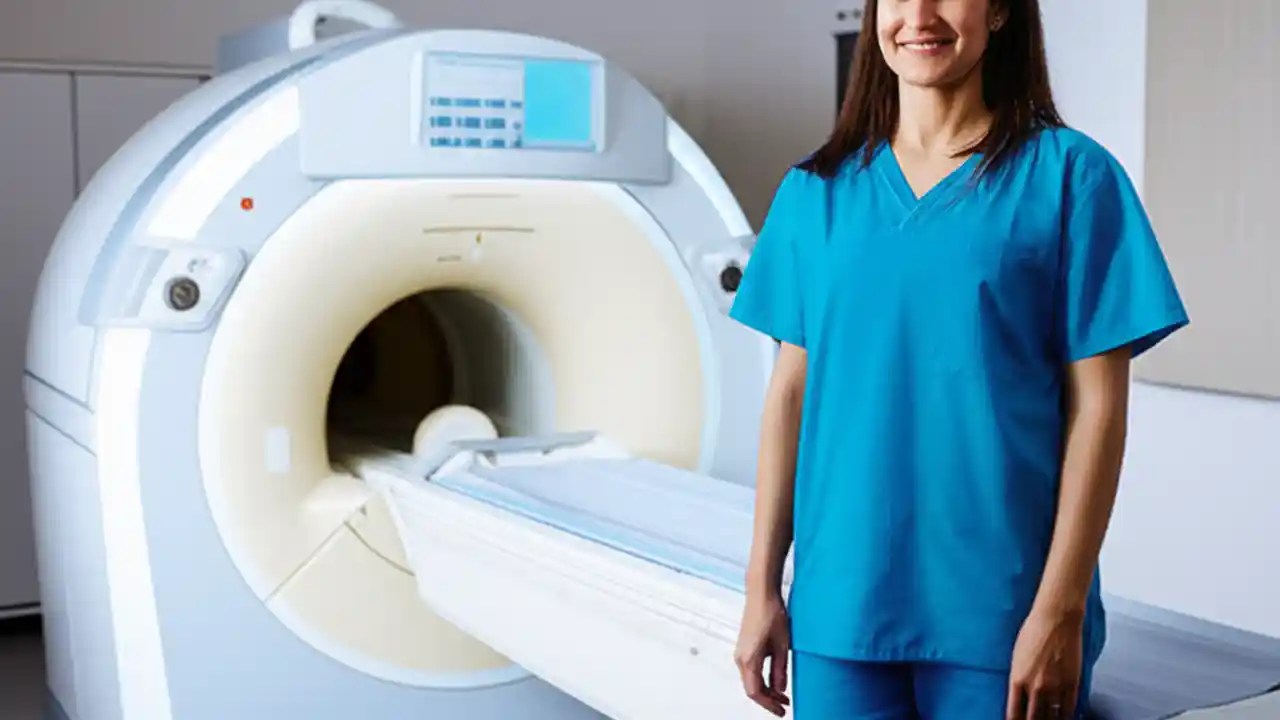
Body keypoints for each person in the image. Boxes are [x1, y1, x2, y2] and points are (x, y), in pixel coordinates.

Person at [727, 1, 1189, 719]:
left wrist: (1060, 611)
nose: (920, 14)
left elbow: (1099, 411)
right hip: (839, 610)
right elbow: (789, 398)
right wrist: (761, 588)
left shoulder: (1072, 179)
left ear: (1000, 10)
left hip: (1003, 616)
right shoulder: (814, 194)